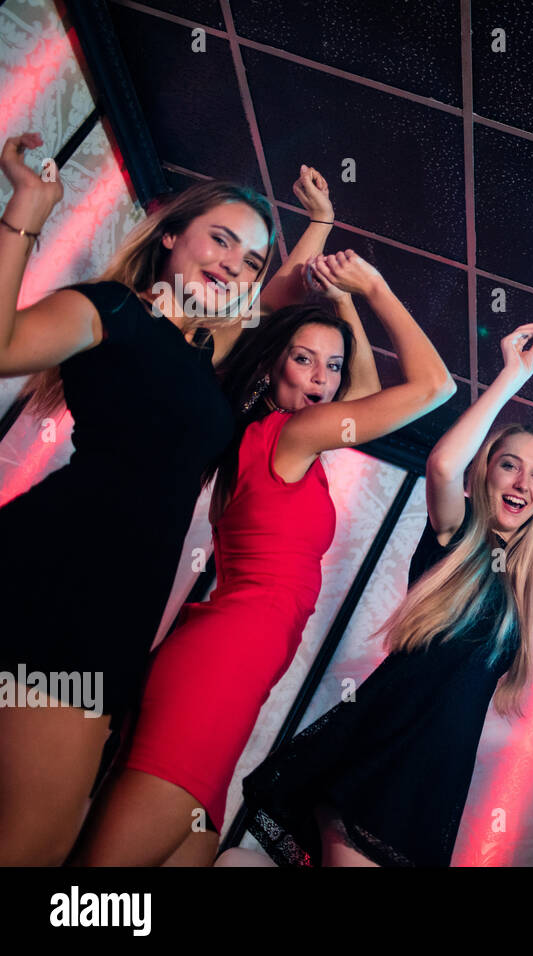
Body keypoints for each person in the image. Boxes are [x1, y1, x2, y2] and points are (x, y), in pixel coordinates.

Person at [72, 232, 456, 865]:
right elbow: (433, 386)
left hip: (236, 669)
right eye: (305, 360)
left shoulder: (266, 439)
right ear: (274, 361)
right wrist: (374, 288)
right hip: (221, 664)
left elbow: (361, 399)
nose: (324, 379)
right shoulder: (294, 434)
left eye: (332, 366)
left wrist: (341, 305)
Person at [0, 132, 274, 865]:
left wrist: (317, 240)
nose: (233, 264)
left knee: (33, 845)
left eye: (250, 260)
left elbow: (273, 298)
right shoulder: (114, 310)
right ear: (173, 235)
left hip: (112, 611)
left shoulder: (206, 355)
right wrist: (26, 212)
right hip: (57, 581)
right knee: (31, 849)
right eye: (220, 239)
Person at [223, 322, 533, 867]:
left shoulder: (516, 594)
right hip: (379, 763)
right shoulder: (458, 536)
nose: (522, 483)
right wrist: (510, 379)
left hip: (430, 794)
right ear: (485, 473)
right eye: (509, 465)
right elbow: (444, 465)